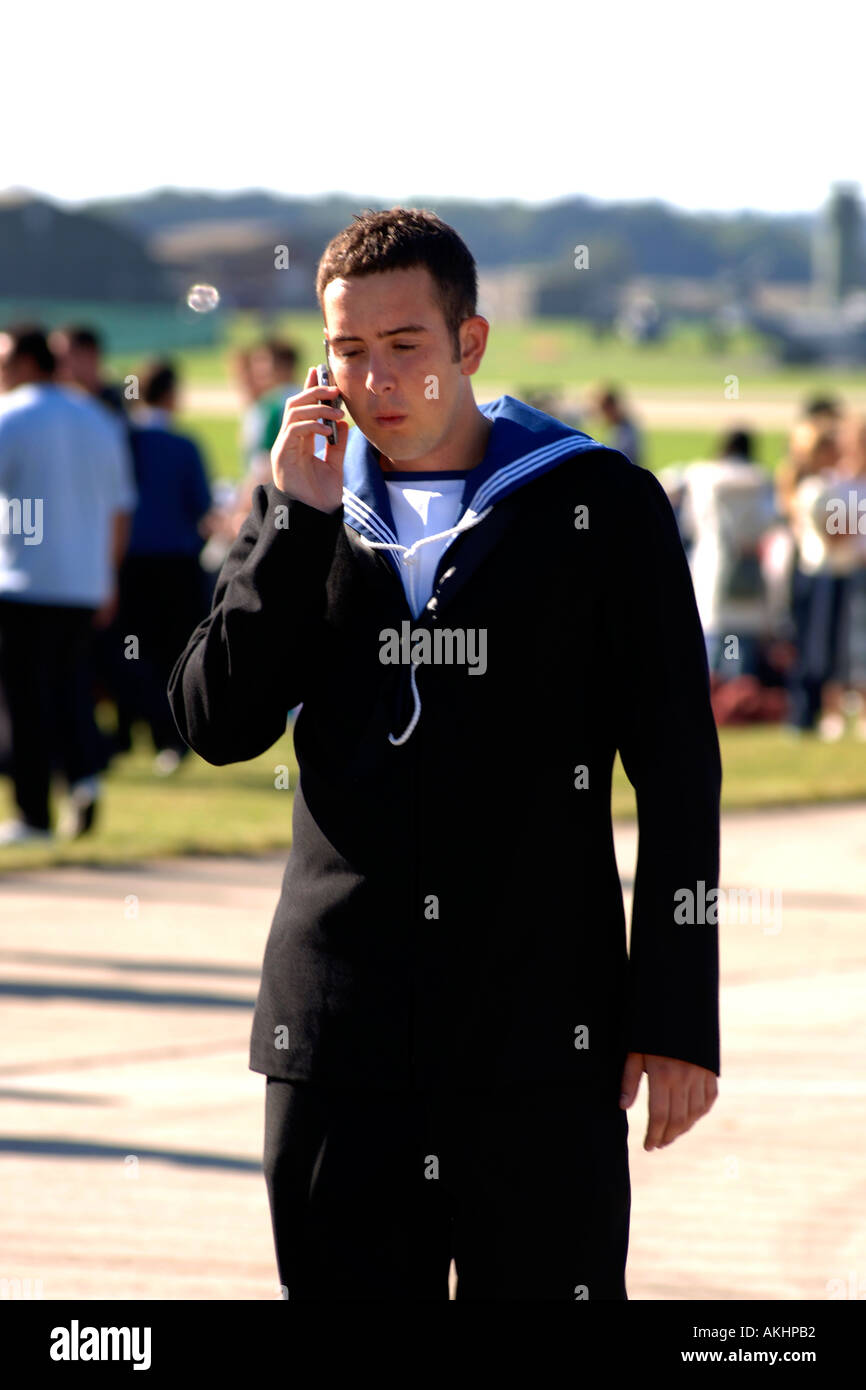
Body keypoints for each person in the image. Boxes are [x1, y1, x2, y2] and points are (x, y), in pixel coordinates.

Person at [168, 208, 721, 1301]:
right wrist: (294, 525)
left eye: (403, 347)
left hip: (539, 1036)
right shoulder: (303, 505)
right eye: (348, 352)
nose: (374, 379)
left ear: (467, 344)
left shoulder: (597, 502)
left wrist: (673, 1016)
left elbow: (678, 769)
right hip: (335, 1037)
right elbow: (213, 724)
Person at [0, 325, 136, 844]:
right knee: (72, 691)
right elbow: (121, 509)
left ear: (28, 362)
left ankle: (34, 816)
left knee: (24, 702)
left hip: (21, 583)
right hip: (84, 584)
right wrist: (108, 577)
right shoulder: (99, 418)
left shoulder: (11, 414)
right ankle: (84, 779)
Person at [107, 360, 213, 773]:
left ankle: (126, 731)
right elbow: (200, 506)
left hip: (128, 561)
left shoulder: (122, 441)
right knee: (174, 652)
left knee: (131, 649)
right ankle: (171, 738)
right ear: (171, 395)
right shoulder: (183, 445)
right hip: (177, 563)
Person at [677, 429, 779, 681]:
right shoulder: (757, 479)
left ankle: (712, 688)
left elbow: (690, 521)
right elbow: (766, 522)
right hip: (746, 563)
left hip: (710, 559)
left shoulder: (702, 476)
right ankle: (741, 690)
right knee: (742, 635)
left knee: (711, 632)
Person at [590, 384, 644, 468]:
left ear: (610, 408)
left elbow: (622, 458)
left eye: (603, 411)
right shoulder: (615, 427)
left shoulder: (625, 430)